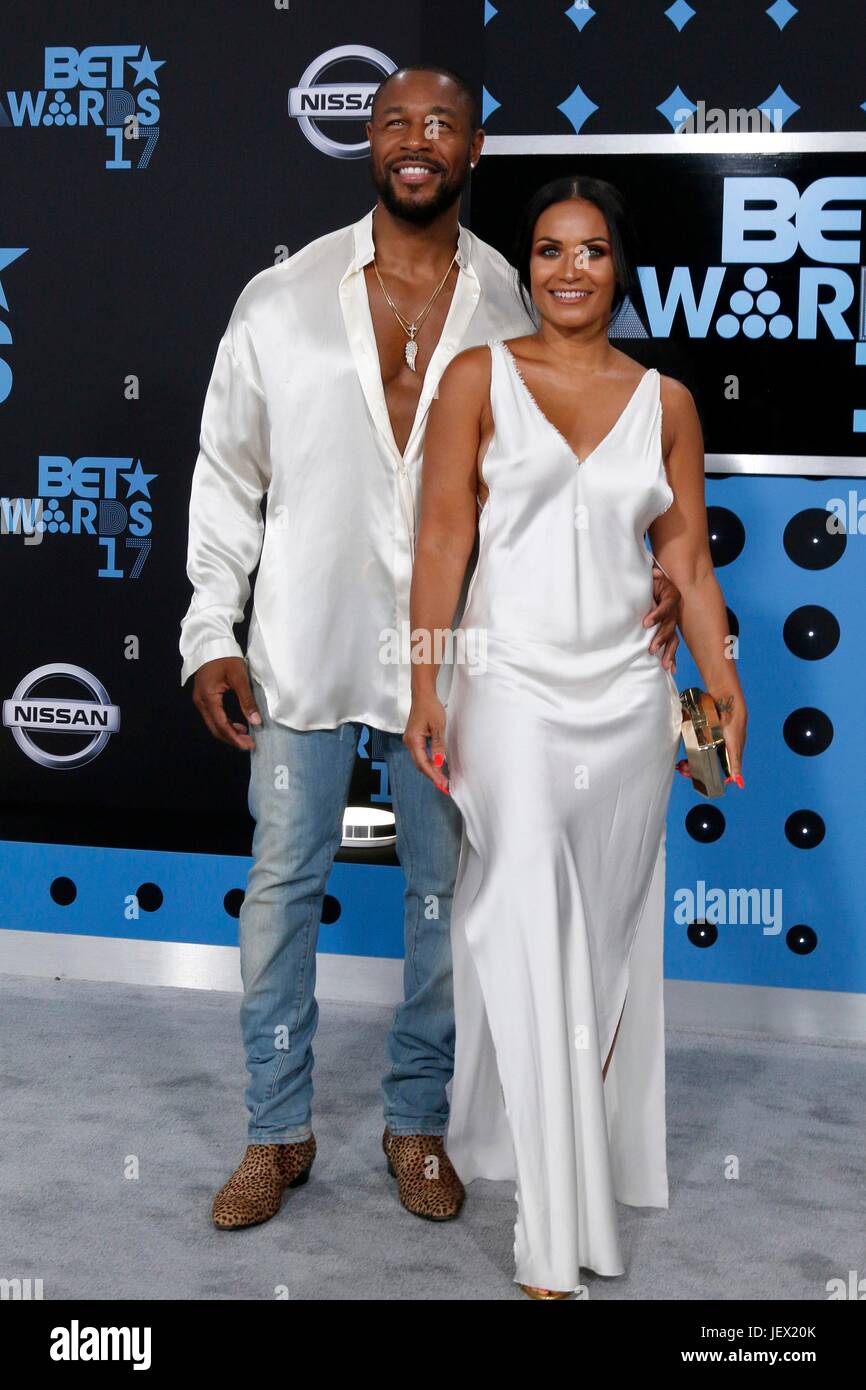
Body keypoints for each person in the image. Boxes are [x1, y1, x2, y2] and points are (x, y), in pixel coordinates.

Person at [179, 68, 682, 1237]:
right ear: (370, 140)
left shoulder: (515, 303)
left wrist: (654, 567)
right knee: (279, 890)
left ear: (473, 149)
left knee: (441, 899)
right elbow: (225, 474)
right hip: (300, 641)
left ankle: (415, 1125)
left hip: (452, 664)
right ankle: (276, 1131)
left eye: (439, 126)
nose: (416, 143)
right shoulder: (281, 296)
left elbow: (577, 477)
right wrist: (211, 630)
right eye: (396, 123)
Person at [403, 175, 747, 1297]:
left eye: (590, 251)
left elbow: (685, 561)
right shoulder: (475, 377)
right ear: (529, 265)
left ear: (617, 268)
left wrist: (719, 692)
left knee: (599, 951)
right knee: (522, 922)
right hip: (505, 690)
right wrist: (426, 684)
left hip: (632, 698)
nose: (565, 269)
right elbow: (442, 538)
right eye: (548, 249)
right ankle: (551, 1234)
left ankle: (572, 1162)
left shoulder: (669, 401)